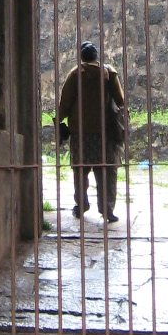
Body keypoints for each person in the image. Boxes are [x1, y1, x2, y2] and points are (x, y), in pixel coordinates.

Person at [55, 42, 126, 222]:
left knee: (80, 172)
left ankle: (81, 205)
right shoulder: (109, 73)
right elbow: (121, 100)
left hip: (80, 134)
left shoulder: (75, 75)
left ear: (82, 57)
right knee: (106, 173)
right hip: (105, 133)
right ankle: (107, 209)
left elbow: (64, 104)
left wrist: (58, 121)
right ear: (96, 56)